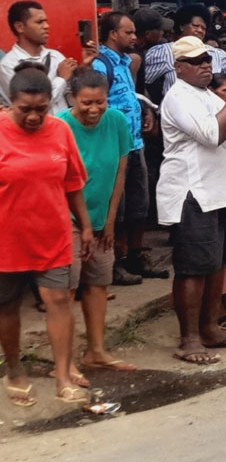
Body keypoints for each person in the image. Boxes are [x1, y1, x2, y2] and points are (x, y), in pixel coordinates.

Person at [157, 37, 226, 365]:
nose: (204, 66)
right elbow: (213, 135)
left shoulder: (206, 95)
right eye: (195, 61)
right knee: (192, 269)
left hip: (219, 193)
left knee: (215, 265)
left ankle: (210, 329)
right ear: (178, 67)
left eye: (207, 60)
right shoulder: (178, 97)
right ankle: (189, 339)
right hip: (194, 193)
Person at [1, 65, 93, 405]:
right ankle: (15, 370)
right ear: (11, 102)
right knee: (7, 306)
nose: (34, 117)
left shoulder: (60, 130)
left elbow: (73, 183)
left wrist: (85, 226)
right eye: (25, 109)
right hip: (6, 239)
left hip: (53, 233)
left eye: (41, 109)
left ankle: (63, 375)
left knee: (59, 301)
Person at [57, 70, 137, 373]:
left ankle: (96, 351)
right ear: (72, 99)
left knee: (99, 283)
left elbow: (120, 172)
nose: (94, 109)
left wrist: (110, 220)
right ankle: (64, 363)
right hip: (67, 217)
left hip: (102, 218)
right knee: (66, 288)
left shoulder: (116, 121)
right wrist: (84, 225)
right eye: (86, 103)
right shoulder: (60, 126)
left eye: (100, 102)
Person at [90, 11, 165, 285]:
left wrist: (144, 109)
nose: (134, 37)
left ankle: (135, 255)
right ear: (113, 34)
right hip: (113, 148)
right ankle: (116, 260)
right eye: (128, 32)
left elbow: (127, 95)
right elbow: (98, 101)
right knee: (117, 208)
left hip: (135, 143)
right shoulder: (100, 65)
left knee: (138, 204)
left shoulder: (124, 62)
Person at [0, 0, 81, 111]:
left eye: (46, 21)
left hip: (61, 122)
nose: (46, 26)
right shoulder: (9, 65)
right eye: (39, 22)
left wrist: (84, 66)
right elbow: (32, 105)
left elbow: (74, 97)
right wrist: (61, 79)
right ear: (20, 27)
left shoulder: (56, 56)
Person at [143, 4, 226, 99]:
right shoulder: (163, 52)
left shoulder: (217, 53)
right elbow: (144, 82)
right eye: (195, 26)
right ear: (182, 26)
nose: (200, 30)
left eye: (203, 28)